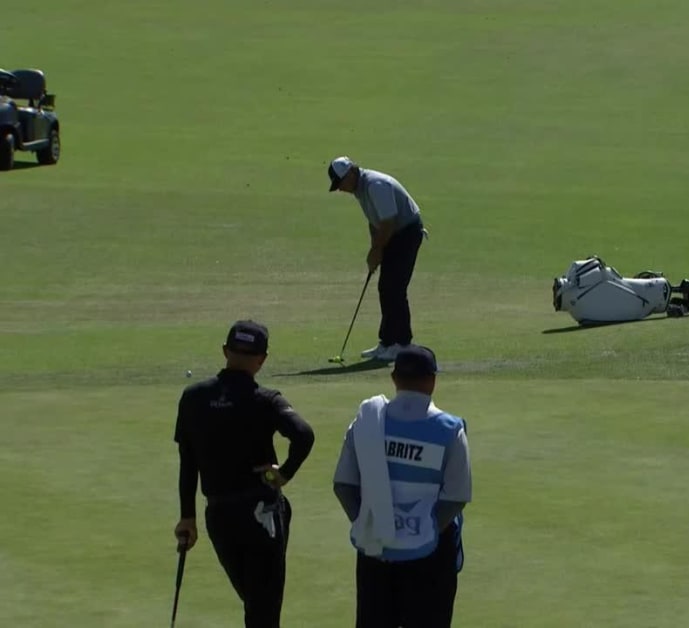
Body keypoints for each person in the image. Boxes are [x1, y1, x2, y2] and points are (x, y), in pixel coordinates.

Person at [173, 320, 316, 628]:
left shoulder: (193, 398)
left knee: (254, 602)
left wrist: (188, 518)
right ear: (262, 360)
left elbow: (188, 461)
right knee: (263, 608)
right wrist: (284, 474)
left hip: (219, 516)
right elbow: (304, 435)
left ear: (225, 351)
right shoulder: (266, 399)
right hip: (261, 514)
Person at [332, 345, 471, 628]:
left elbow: (344, 485)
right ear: (432, 380)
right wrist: (423, 531)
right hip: (432, 551)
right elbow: (456, 497)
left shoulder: (365, 421)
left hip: (374, 549)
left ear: (394, 379)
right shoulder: (450, 429)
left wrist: (370, 522)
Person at [328, 156, 428, 362]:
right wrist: (375, 249)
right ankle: (388, 342)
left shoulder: (376, 185)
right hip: (394, 233)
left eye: (340, 183)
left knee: (394, 288)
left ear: (352, 173)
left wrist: (377, 250)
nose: (340, 189)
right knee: (386, 287)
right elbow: (374, 222)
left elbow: (388, 222)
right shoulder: (360, 189)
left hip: (406, 233)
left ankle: (402, 344)